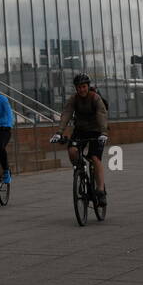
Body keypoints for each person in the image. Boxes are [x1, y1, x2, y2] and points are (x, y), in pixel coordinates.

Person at [50, 73, 109, 204]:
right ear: (76, 88)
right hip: (80, 130)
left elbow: (101, 114)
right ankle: (80, 169)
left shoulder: (95, 98)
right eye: (79, 87)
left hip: (96, 131)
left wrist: (103, 133)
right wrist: (59, 132)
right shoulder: (74, 99)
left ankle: (100, 190)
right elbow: (66, 114)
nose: (81, 89)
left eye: (84, 86)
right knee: (72, 151)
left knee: (95, 158)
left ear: (88, 86)